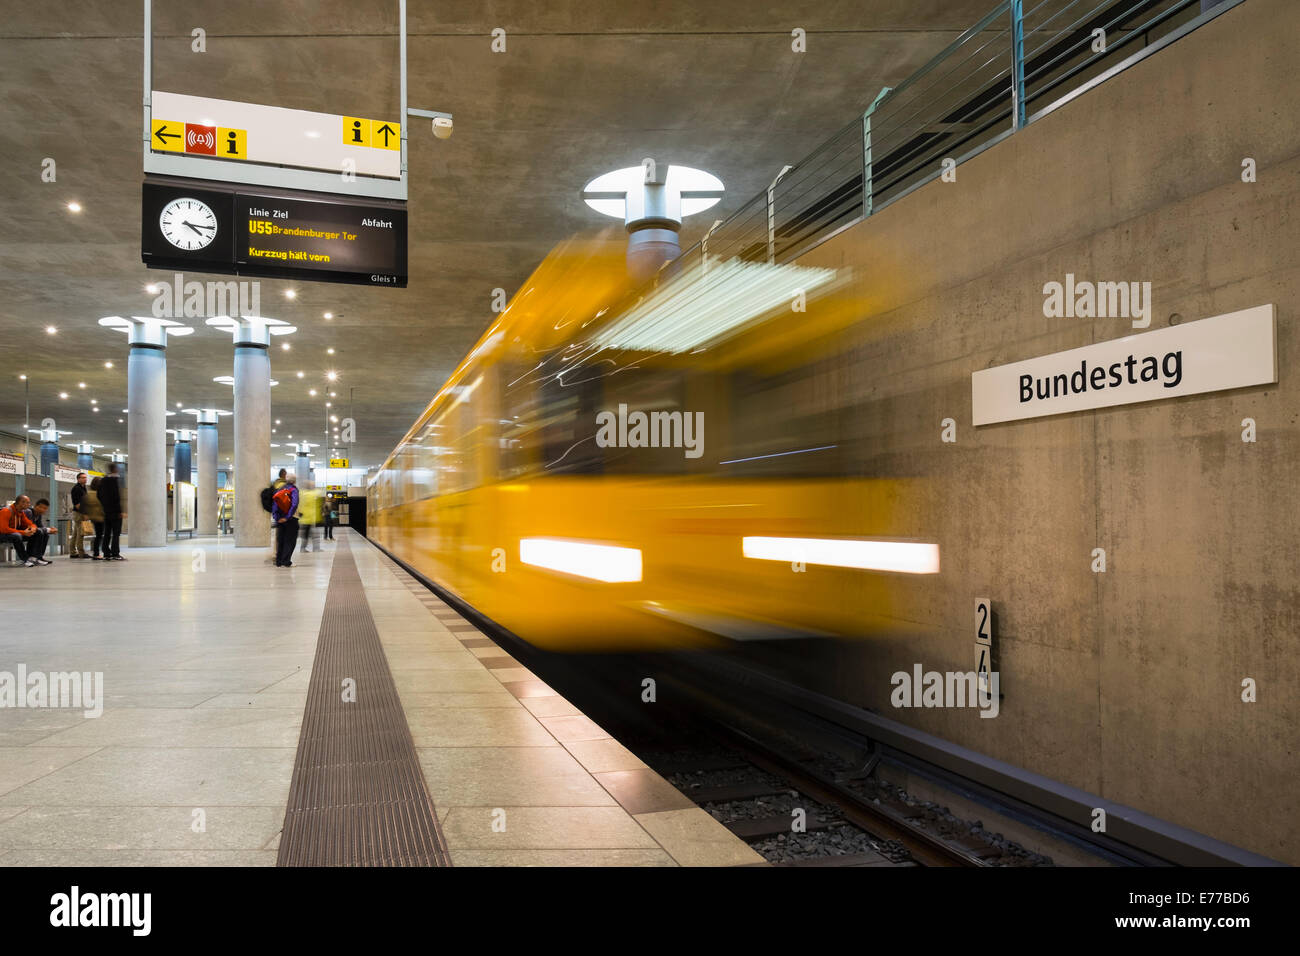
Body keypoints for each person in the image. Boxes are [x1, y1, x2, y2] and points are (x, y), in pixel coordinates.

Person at [1, 495, 41, 567]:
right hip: (2, 534)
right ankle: (25, 559)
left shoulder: (20, 512)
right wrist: (23, 532)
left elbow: (30, 523)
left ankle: (33, 558)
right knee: (17, 536)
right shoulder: (6, 511)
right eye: (27, 503)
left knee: (37, 532)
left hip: (12, 533)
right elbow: (4, 529)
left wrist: (33, 528)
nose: (29, 505)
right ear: (21, 503)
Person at [98, 462, 126, 560]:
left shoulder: (103, 480)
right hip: (115, 513)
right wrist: (119, 511)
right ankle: (115, 553)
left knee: (107, 533)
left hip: (106, 511)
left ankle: (106, 552)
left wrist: (104, 507)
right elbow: (115, 497)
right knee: (116, 534)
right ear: (115, 469)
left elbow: (99, 495)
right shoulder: (114, 481)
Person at [272, 472, 299, 568]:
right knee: (290, 540)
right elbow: (294, 504)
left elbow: (275, 503)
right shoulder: (293, 490)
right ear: (294, 481)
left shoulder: (280, 489)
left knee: (281, 540)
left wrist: (277, 518)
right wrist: (287, 517)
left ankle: (279, 561)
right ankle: (286, 561)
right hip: (291, 519)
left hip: (280, 520)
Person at [23, 498, 55, 565]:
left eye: (45, 508)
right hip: (23, 532)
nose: (43, 510)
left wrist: (49, 530)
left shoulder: (38, 515)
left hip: (31, 533)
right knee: (39, 532)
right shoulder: (29, 512)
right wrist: (47, 529)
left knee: (45, 534)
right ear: (35, 506)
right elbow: (30, 527)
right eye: (41, 507)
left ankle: (39, 557)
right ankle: (33, 557)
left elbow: (40, 526)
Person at [83, 477, 107, 560]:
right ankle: (97, 553)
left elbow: (83, 505)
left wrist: (86, 514)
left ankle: (97, 552)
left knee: (98, 535)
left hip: (93, 517)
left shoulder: (88, 494)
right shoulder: (101, 493)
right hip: (101, 516)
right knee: (101, 535)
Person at [68, 472, 89, 558]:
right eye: (83, 477)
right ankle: (81, 552)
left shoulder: (83, 488)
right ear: (78, 479)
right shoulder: (76, 489)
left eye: (85, 477)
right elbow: (77, 504)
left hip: (81, 513)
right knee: (81, 534)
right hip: (79, 513)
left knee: (76, 534)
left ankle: (73, 552)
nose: (85, 479)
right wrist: (84, 513)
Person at [299, 484, 322, 553]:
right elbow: (318, 494)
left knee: (306, 535)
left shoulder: (302, 494)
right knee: (313, 535)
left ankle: (304, 548)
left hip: (305, 519)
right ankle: (314, 548)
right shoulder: (312, 494)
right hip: (309, 519)